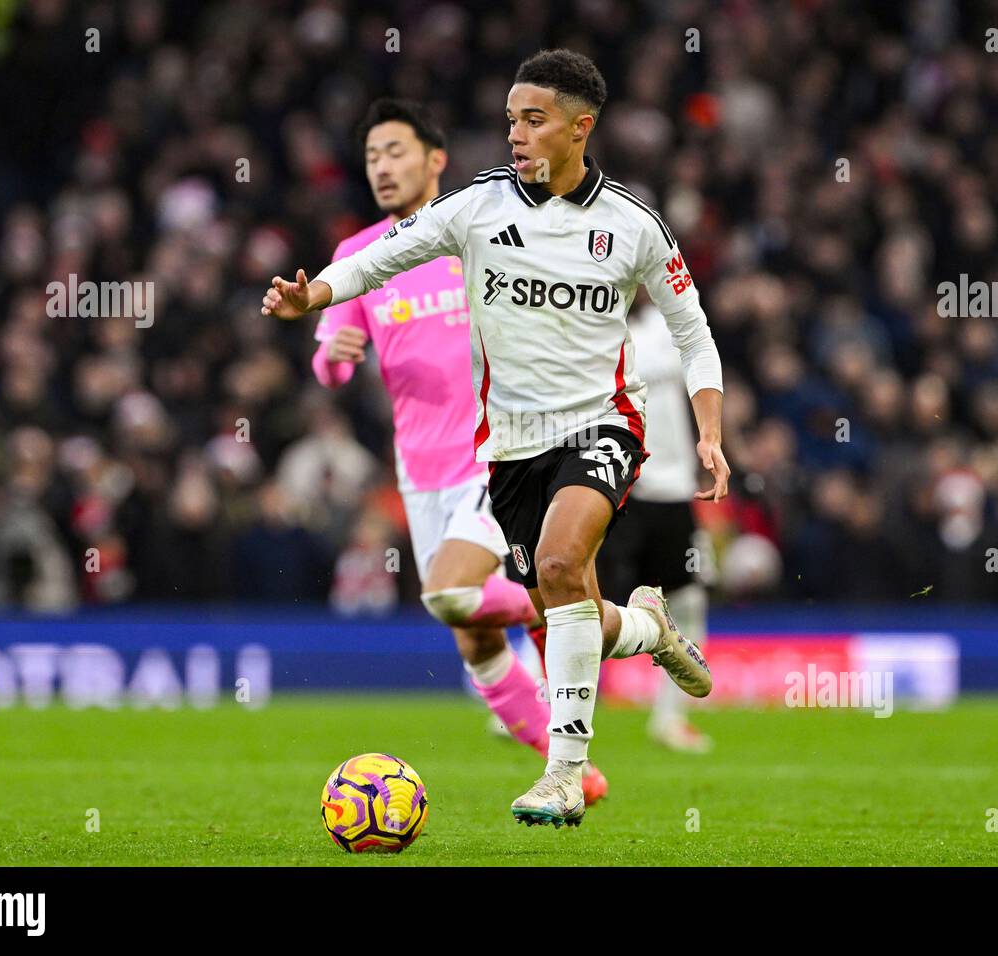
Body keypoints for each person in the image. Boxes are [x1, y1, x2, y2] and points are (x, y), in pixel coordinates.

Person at [263, 51, 728, 829]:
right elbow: (378, 259)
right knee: (559, 600)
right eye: (511, 118)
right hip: (510, 448)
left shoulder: (633, 225)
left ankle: (563, 776)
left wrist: (709, 431)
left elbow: (695, 334)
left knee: (557, 564)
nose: (515, 133)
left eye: (534, 119)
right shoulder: (477, 208)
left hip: (603, 426)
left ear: (583, 127)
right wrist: (311, 295)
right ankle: (646, 626)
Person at [308, 98, 606, 804]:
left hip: (498, 453)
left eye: (395, 151)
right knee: (472, 634)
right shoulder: (358, 257)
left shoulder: (481, 232)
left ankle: (561, 606)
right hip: (423, 473)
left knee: (449, 592)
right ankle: (575, 774)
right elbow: (329, 363)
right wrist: (337, 357)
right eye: (372, 156)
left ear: (435, 159)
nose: (381, 166)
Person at [591, 299, 715, 754]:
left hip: (675, 489)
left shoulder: (670, 323)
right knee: (580, 597)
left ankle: (670, 718)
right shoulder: (592, 325)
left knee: (689, 599)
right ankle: (544, 701)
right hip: (619, 487)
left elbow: (705, 377)